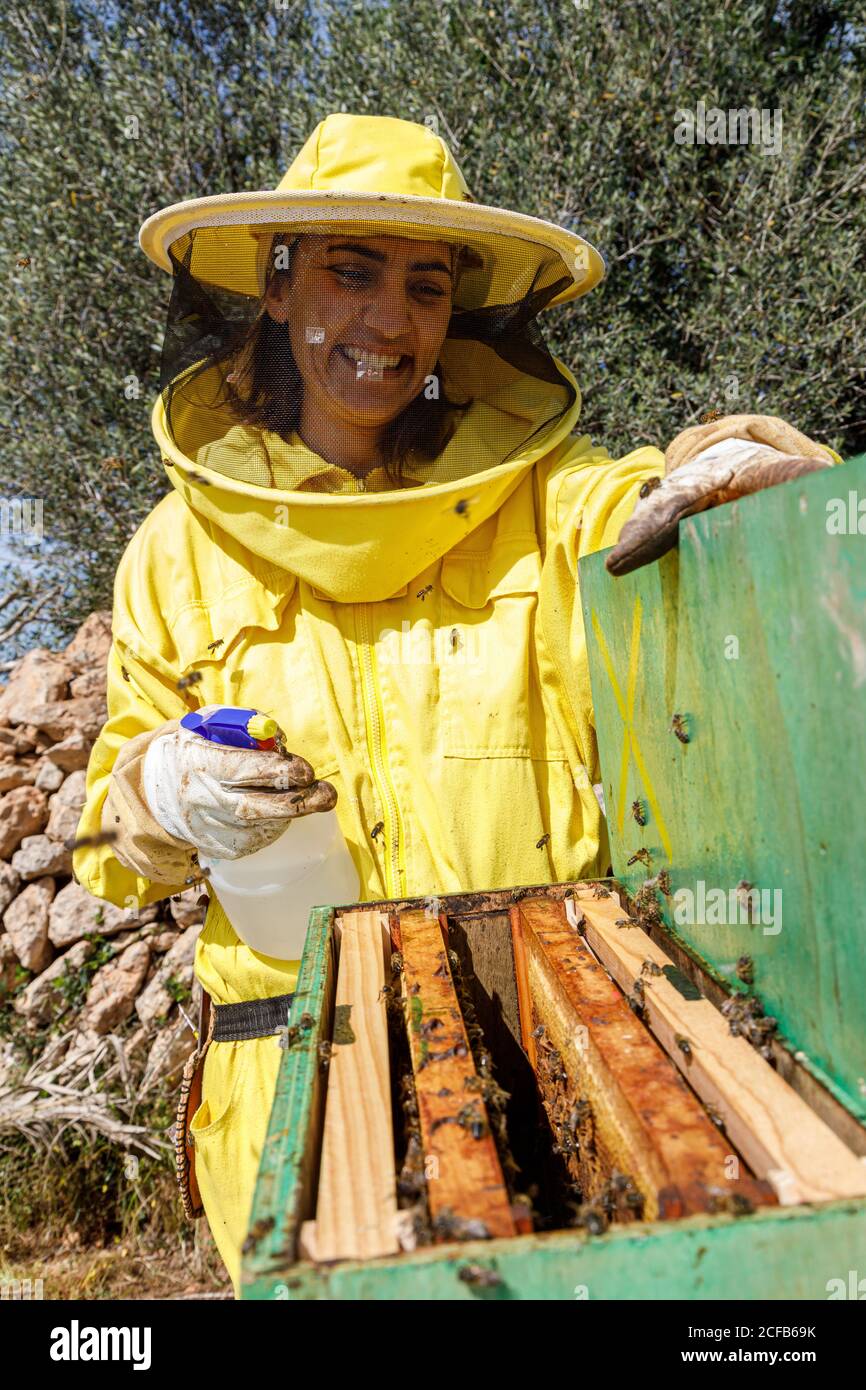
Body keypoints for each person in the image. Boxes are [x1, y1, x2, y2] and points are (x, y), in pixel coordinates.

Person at [72, 113, 839, 1295]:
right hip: (289, 1086)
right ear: (277, 290)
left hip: (550, 1054)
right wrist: (158, 793)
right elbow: (107, 856)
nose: (387, 320)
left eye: (423, 285)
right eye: (350, 270)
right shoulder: (173, 556)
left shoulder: (538, 502)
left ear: (454, 316)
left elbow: (641, 502)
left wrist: (726, 462)